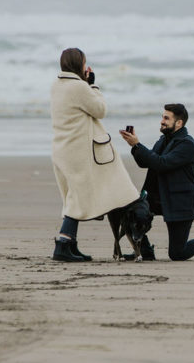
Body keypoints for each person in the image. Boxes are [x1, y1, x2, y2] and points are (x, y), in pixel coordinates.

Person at [50, 48, 140, 262]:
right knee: (78, 196)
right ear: (78, 65)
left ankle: (69, 243)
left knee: (74, 194)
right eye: (84, 63)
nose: (85, 67)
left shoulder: (56, 86)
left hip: (62, 148)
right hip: (79, 151)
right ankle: (63, 245)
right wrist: (93, 84)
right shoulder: (79, 87)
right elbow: (100, 110)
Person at [119, 103, 194, 261]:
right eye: (162, 117)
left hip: (180, 202)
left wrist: (137, 145)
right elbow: (146, 163)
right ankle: (145, 251)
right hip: (157, 197)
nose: (162, 121)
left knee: (177, 254)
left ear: (179, 123)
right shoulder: (163, 140)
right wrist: (134, 146)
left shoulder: (187, 144)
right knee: (128, 212)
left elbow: (162, 163)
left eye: (166, 118)